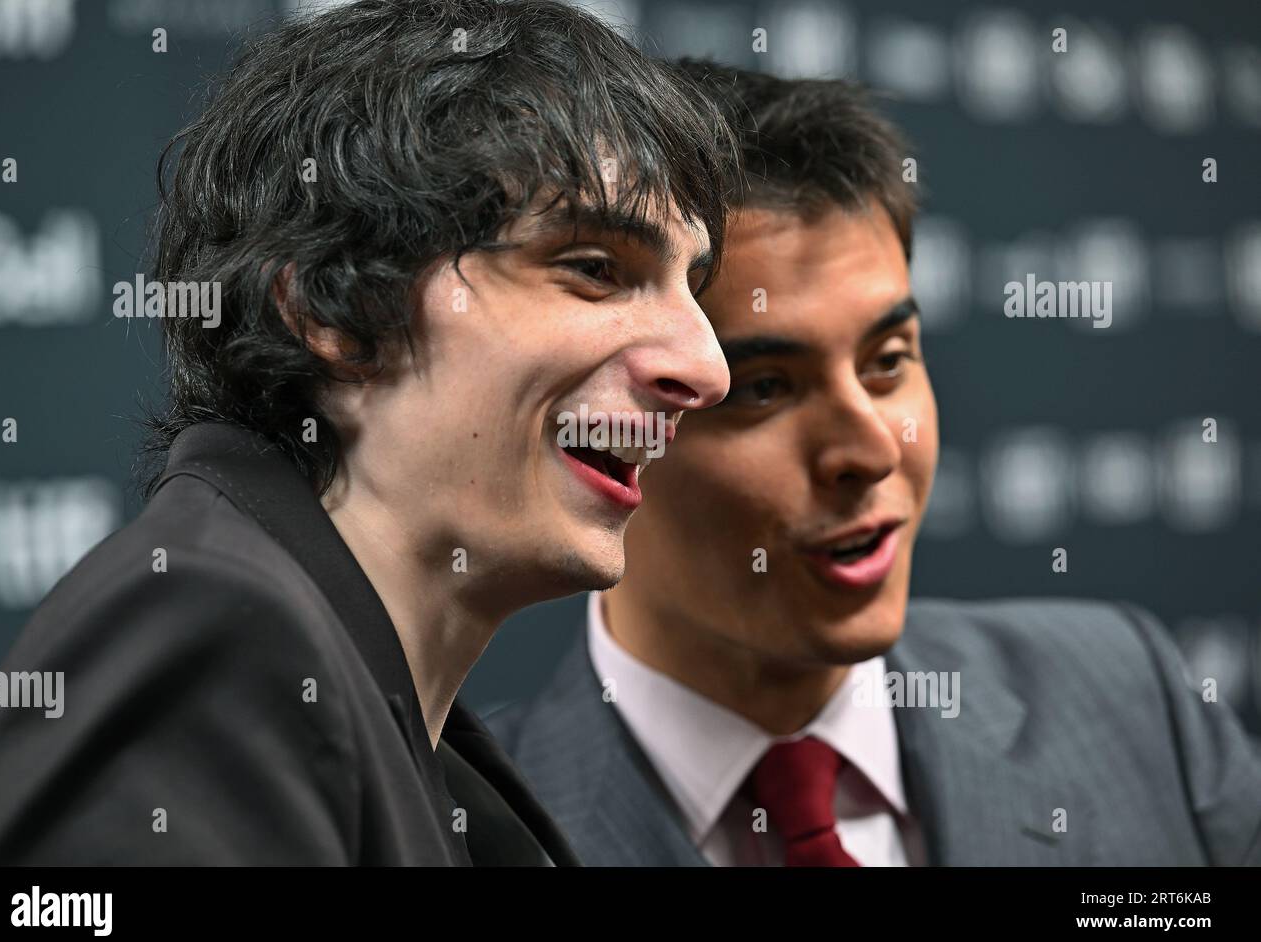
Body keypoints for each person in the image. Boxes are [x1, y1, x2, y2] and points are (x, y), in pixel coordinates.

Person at [0, 1, 737, 865]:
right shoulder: (217, 639)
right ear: (334, 310)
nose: (706, 368)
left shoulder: (414, 750)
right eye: (595, 270)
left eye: (692, 288)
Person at [487, 60, 1261, 867]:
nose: (871, 450)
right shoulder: (462, 828)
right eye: (762, 389)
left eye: (887, 361)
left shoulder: (1129, 700)